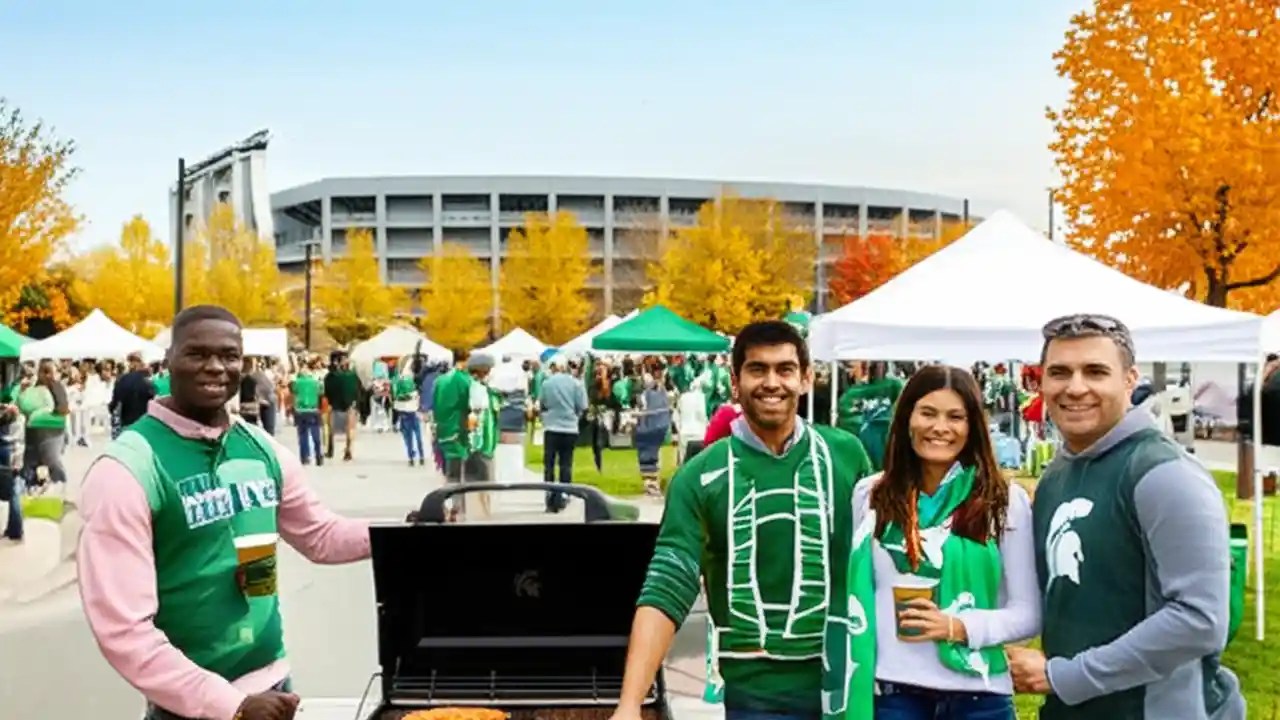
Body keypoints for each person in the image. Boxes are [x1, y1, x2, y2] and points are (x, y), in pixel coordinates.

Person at [77, 305, 372, 720]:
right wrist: (231, 706)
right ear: (169, 361)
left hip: (274, 688)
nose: (216, 367)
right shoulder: (127, 469)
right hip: (190, 708)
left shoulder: (260, 447)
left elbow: (320, 535)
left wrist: (404, 535)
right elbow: (124, 631)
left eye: (229, 355)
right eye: (197, 354)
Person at [611, 321, 875, 720]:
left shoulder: (846, 455)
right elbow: (668, 583)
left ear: (805, 379)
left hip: (847, 685)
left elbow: (878, 560)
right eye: (758, 369)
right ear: (735, 383)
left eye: (785, 369)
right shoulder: (700, 476)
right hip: (755, 697)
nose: (772, 382)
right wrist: (630, 704)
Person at [1007, 314, 1244, 719]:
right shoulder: (1057, 475)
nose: (1075, 387)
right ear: (1041, 384)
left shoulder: (1164, 474)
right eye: (1059, 372)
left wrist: (1065, 675)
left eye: (1095, 371)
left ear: (1130, 380)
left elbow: (1199, 620)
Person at [836, 365, 1039, 720]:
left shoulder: (1004, 501)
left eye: (955, 417)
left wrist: (957, 627)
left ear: (972, 426)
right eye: (927, 413)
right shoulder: (871, 494)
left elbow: (1028, 615)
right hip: (894, 695)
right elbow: (858, 594)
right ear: (906, 419)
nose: (940, 428)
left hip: (979, 697)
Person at [433, 353, 498, 521]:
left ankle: (452, 507)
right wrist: (477, 440)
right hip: (462, 434)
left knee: (451, 474)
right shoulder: (470, 384)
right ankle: (463, 511)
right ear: (482, 370)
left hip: (443, 432)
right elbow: (476, 413)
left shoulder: (440, 381)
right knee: (468, 477)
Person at [539, 355, 588, 513]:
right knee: (566, 463)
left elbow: (543, 403)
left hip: (551, 426)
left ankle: (549, 494)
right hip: (569, 427)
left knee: (549, 464)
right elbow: (582, 405)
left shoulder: (547, 383)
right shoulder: (576, 384)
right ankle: (565, 494)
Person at [18, 359, 70, 491]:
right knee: (30, 461)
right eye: (43, 371)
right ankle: (30, 489)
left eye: (49, 372)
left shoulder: (56, 387)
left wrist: (47, 412)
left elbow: (63, 409)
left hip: (52, 431)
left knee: (52, 460)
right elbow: (23, 404)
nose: (46, 375)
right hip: (33, 430)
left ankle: (60, 486)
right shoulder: (32, 387)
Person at [633, 370, 672, 498]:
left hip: (648, 428)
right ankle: (653, 483)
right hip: (660, 428)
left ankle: (650, 484)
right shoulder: (663, 394)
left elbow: (643, 410)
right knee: (654, 456)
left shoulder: (645, 395)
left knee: (647, 457)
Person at [323, 352, 359, 461]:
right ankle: (348, 450)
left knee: (330, 429)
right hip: (350, 406)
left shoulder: (329, 377)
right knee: (350, 429)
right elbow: (357, 391)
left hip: (333, 406)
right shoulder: (352, 376)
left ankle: (330, 449)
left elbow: (326, 391)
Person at [110, 351, 155, 434]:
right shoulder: (150, 381)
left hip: (126, 424)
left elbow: (115, 403)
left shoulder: (123, 380)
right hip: (144, 425)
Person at [392, 366, 425, 466]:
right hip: (413, 412)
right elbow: (418, 394)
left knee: (409, 437)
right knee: (418, 436)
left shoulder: (397, 380)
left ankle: (411, 458)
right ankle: (421, 456)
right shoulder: (411, 380)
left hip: (405, 413)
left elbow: (395, 396)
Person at [290, 364, 323, 466]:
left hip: (301, 411)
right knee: (315, 434)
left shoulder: (297, 382)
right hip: (313, 410)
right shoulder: (315, 382)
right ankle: (318, 455)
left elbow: (293, 391)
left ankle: (304, 457)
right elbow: (321, 392)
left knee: (303, 435)